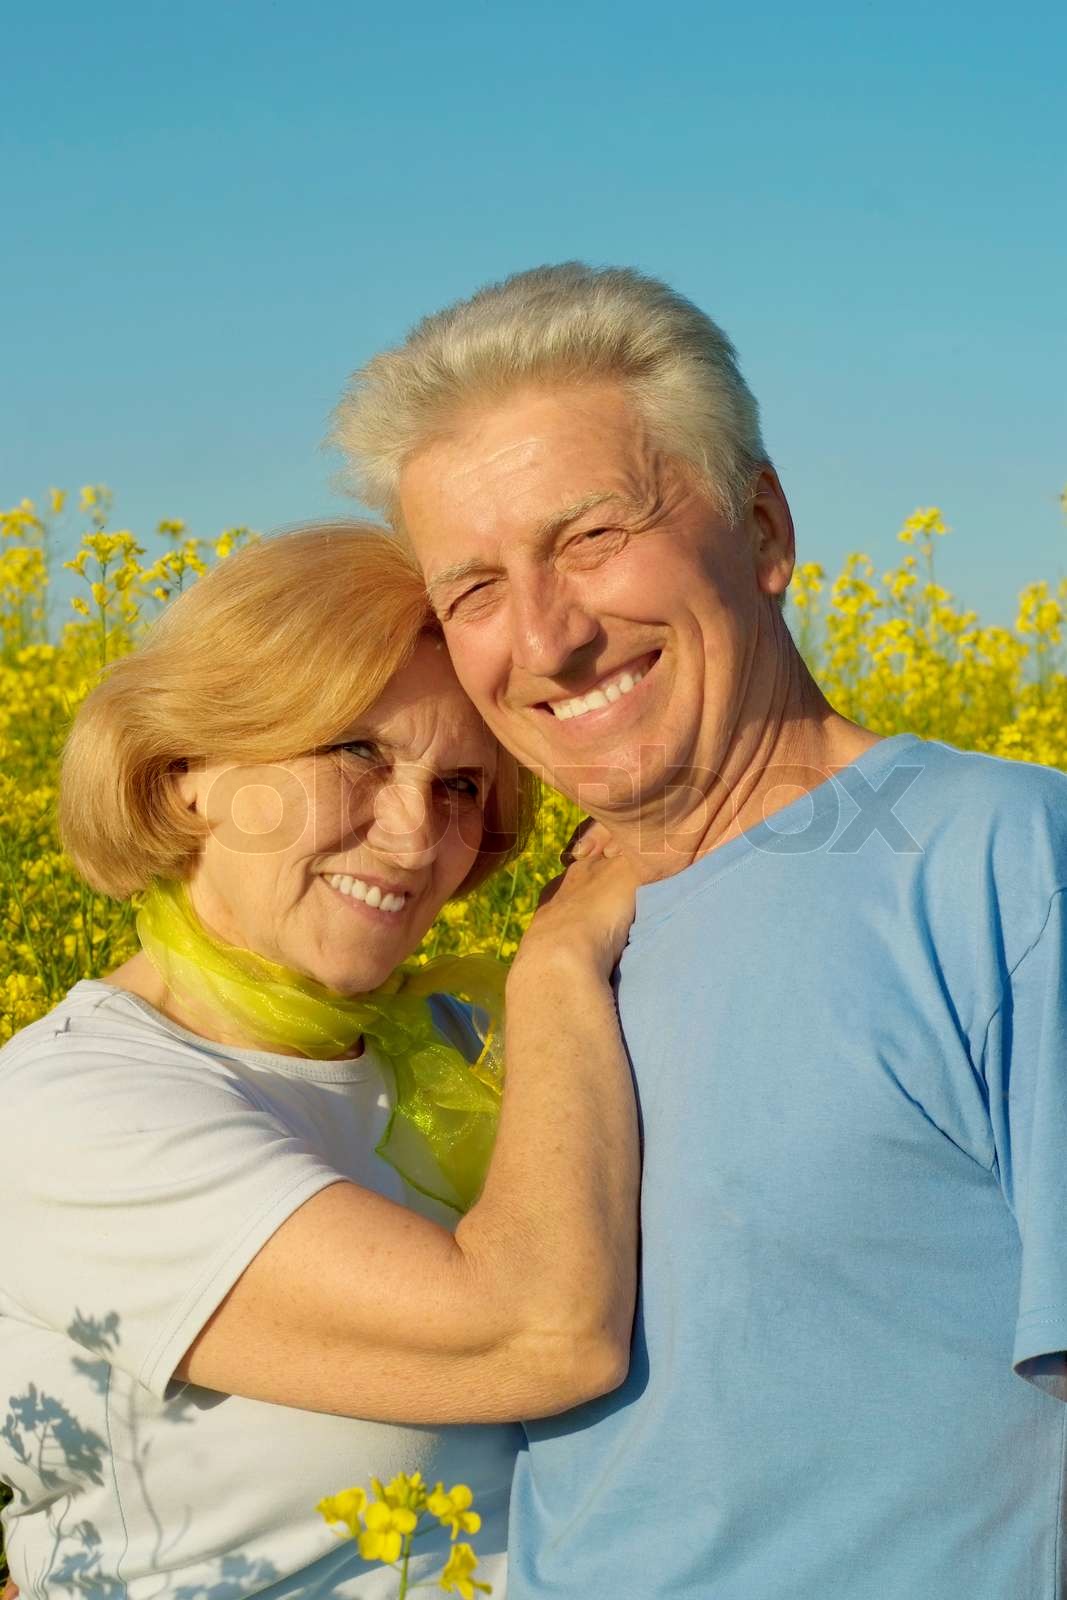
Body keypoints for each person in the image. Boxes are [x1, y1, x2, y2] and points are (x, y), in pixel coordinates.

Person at [331, 263, 1067, 1600]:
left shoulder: (1001, 858)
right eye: (474, 591)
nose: (545, 639)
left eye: (592, 536)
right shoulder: (522, 943)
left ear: (764, 526)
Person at [0, 522, 640, 1598]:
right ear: (187, 770)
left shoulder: (452, 1045)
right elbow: (543, 1335)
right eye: (355, 751)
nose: (411, 835)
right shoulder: (70, 1113)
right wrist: (562, 956)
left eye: (459, 787)